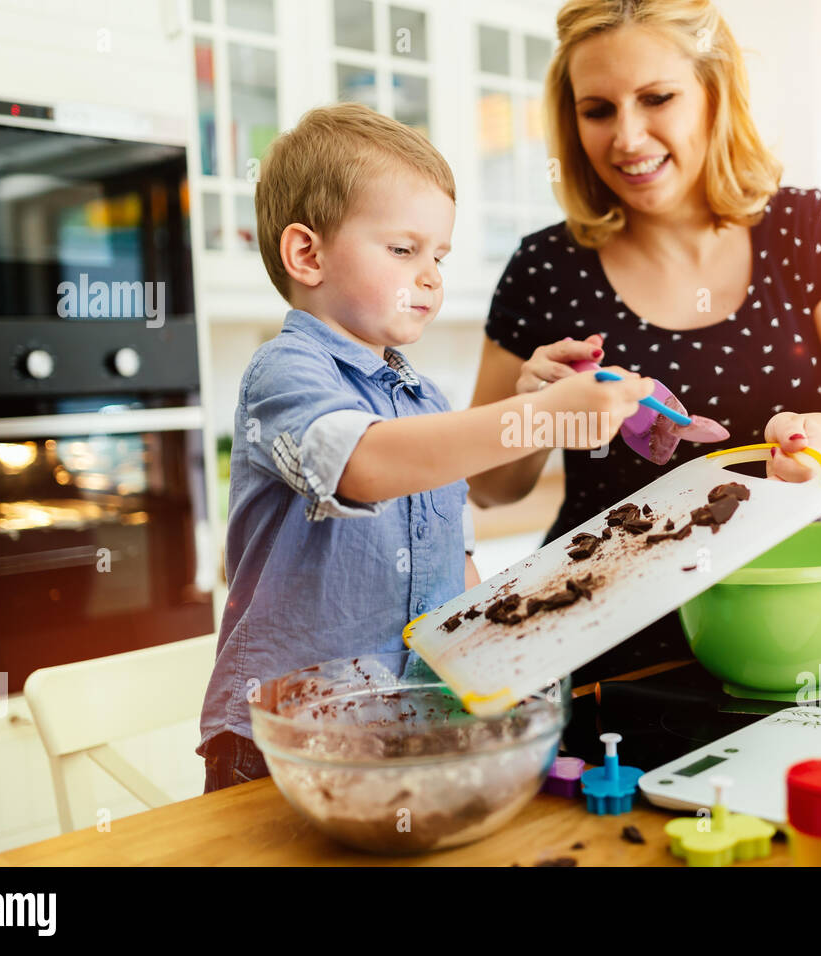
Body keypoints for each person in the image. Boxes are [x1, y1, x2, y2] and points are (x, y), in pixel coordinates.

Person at [468, 0, 821, 719]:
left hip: (779, 628)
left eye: (657, 98)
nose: (627, 137)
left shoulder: (812, 232)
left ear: (715, 91)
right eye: (597, 109)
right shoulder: (544, 268)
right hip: (597, 651)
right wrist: (531, 415)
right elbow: (492, 488)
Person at [199, 103, 654, 791]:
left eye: (438, 254)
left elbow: (457, 561)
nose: (433, 275)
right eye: (404, 249)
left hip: (407, 731)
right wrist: (537, 420)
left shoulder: (423, 400)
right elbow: (365, 466)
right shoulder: (285, 372)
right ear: (307, 254)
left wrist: (527, 403)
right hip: (286, 747)